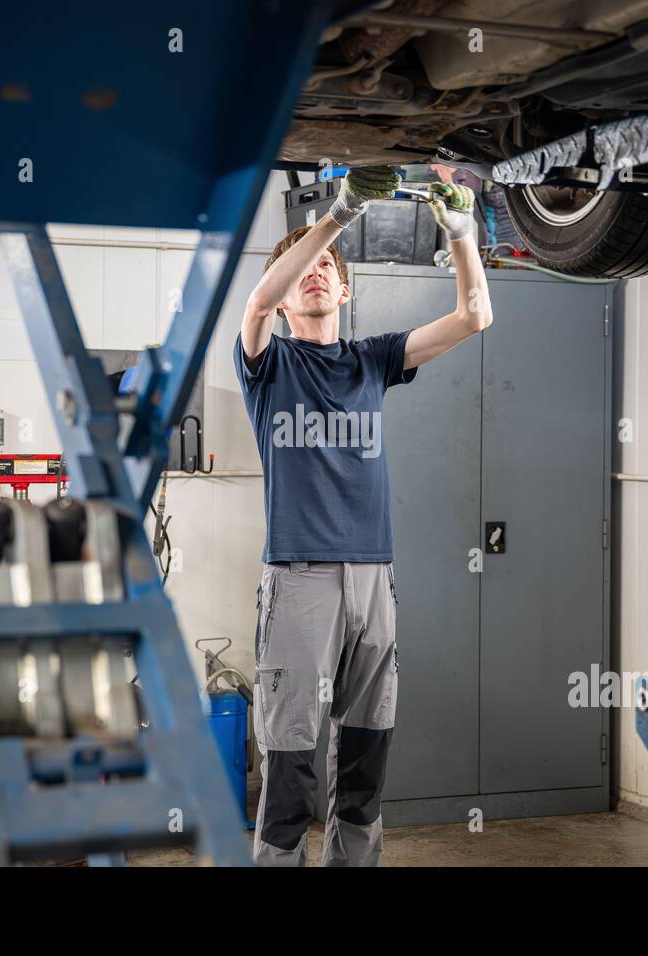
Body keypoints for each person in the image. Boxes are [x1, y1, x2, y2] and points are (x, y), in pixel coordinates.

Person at [235, 165, 492, 865]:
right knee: (290, 769)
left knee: (364, 769)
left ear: (346, 289)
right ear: (291, 296)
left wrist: (462, 232)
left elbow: (476, 315)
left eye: (329, 267)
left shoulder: (373, 362)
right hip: (300, 584)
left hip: (374, 582)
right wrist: (341, 214)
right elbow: (256, 304)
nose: (316, 272)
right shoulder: (268, 365)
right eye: (303, 268)